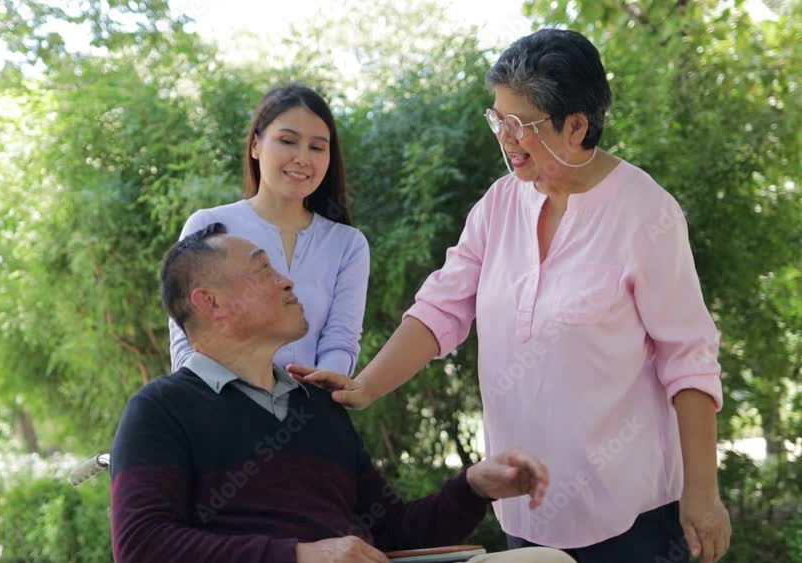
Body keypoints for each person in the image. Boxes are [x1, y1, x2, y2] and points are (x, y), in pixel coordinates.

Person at [288, 29, 732, 563]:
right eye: (499, 118)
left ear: (576, 126)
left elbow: (688, 360)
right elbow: (442, 307)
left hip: (632, 514)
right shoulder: (500, 204)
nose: (505, 135)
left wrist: (702, 494)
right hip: (528, 507)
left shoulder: (647, 214)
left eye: (521, 124)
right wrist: (364, 387)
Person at [111, 223, 575, 563]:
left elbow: (392, 530)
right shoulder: (160, 410)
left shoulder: (317, 405)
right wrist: (298, 556)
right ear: (210, 303)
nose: (286, 281)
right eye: (262, 271)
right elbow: (142, 546)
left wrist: (473, 488)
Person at [168, 84, 369, 376]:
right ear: (255, 146)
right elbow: (188, 343)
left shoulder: (348, 245)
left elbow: (341, 341)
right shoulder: (209, 228)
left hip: (311, 411)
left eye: (317, 147)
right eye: (288, 141)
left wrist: (319, 395)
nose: (303, 157)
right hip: (219, 412)